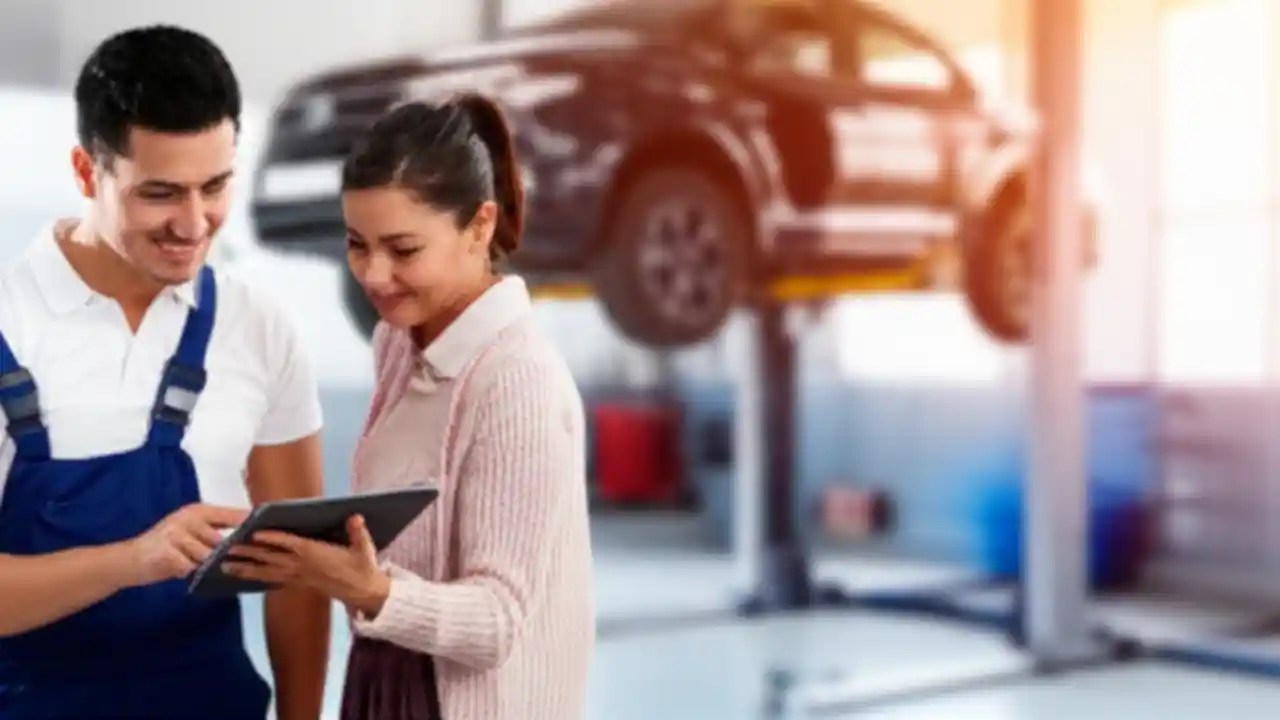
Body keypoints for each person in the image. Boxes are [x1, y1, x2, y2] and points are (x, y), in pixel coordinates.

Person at [222, 94, 595, 719]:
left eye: (403, 250)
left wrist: (369, 589)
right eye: (357, 243)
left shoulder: (517, 381)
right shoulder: (399, 341)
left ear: (479, 227)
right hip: (384, 679)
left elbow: (499, 622)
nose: (373, 274)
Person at [0, 25, 330, 719]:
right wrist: (133, 561)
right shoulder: (11, 322)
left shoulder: (256, 326)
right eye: (160, 193)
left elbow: (299, 574)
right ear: (88, 172)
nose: (193, 223)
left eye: (214, 186)